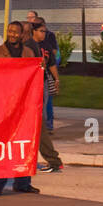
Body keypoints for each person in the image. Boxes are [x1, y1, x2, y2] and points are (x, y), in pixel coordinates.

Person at [0, 22, 42, 195]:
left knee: (24, 144)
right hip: (4, 106)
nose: (12, 34)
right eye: (10, 31)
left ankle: (23, 183)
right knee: (2, 146)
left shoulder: (29, 53)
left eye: (16, 32)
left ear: (21, 34)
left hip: (24, 106)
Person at [29, 20, 65, 173]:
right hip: (29, 86)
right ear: (34, 31)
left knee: (38, 121)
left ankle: (53, 160)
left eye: (45, 31)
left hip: (41, 84)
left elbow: (51, 64)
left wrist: (56, 79)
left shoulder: (46, 46)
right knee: (36, 123)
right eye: (42, 31)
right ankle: (52, 160)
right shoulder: (28, 46)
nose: (44, 34)